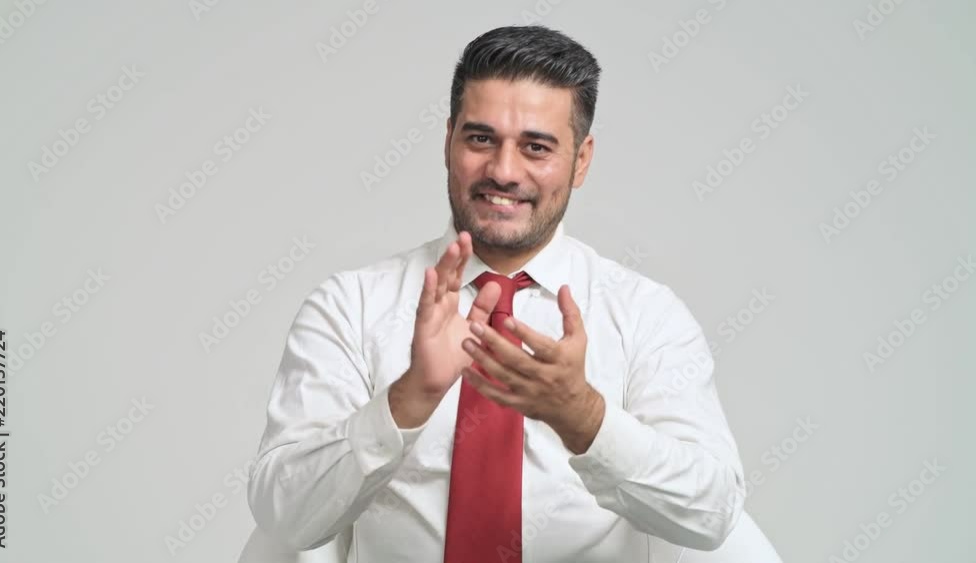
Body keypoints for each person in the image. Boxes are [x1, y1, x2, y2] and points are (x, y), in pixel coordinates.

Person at [242, 25, 748, 563]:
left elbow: (713, 514)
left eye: (536, 147)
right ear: (448, 142)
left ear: (581, 160)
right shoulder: (351, 306)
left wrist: (584, 418)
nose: (504, 171)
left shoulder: (645, 315)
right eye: (481, 139)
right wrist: (408, 399)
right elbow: (284, 520)